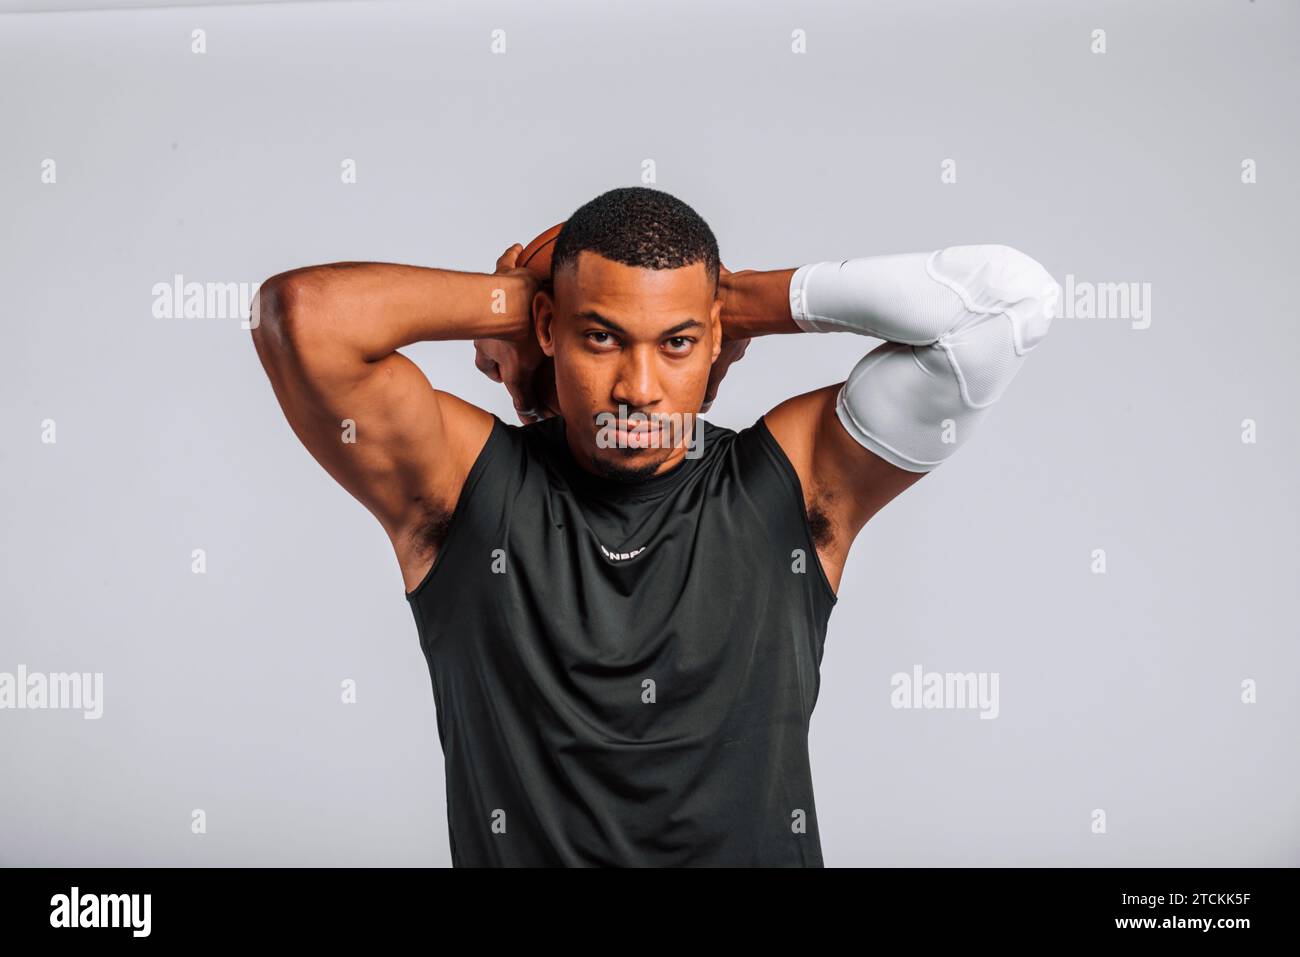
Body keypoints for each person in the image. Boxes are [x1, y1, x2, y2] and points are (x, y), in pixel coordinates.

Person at [250, 186, 1062, 866]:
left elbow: (1007, 303)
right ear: (548, 332)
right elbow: (302, 313)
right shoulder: (461, 490)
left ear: (715, 342)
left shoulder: (796, 485)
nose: (637, 387)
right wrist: (509, 298)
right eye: (600, 336)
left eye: (677, 342)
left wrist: (740, 299)